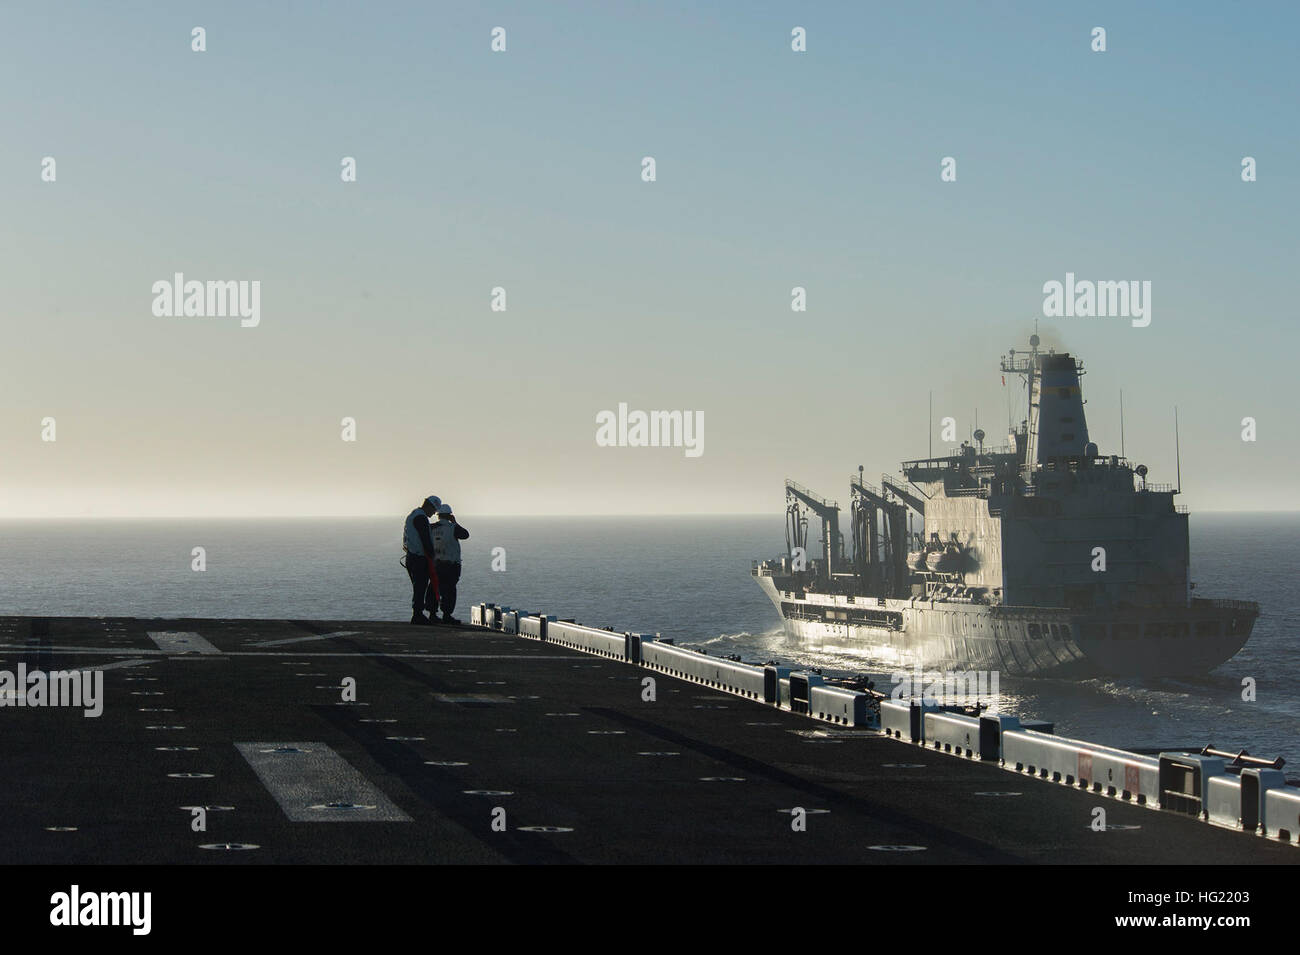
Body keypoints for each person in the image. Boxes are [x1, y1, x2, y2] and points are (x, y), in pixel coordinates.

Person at [402, 496, 441, 625]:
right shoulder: (421, 518)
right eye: (434, 510)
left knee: (418, 587)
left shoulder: (413, 515)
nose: (434, 513)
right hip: (419, 558)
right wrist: (432, 556)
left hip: (411, 556)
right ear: (429, 506)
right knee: (420, 587)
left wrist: (432, 526)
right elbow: (425, 538)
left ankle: (418, 613)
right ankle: (417, 615)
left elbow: (419, 530)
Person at [430, 503, 470, 625]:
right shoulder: (453, 528)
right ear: (450, 515)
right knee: (449, 590)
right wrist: (455, 522)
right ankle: (447, 615)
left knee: (434, 588)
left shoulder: (431, 528)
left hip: (436, 564)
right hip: (451, 564)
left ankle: (432, 614)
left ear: (438, 515)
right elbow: (465, 535)